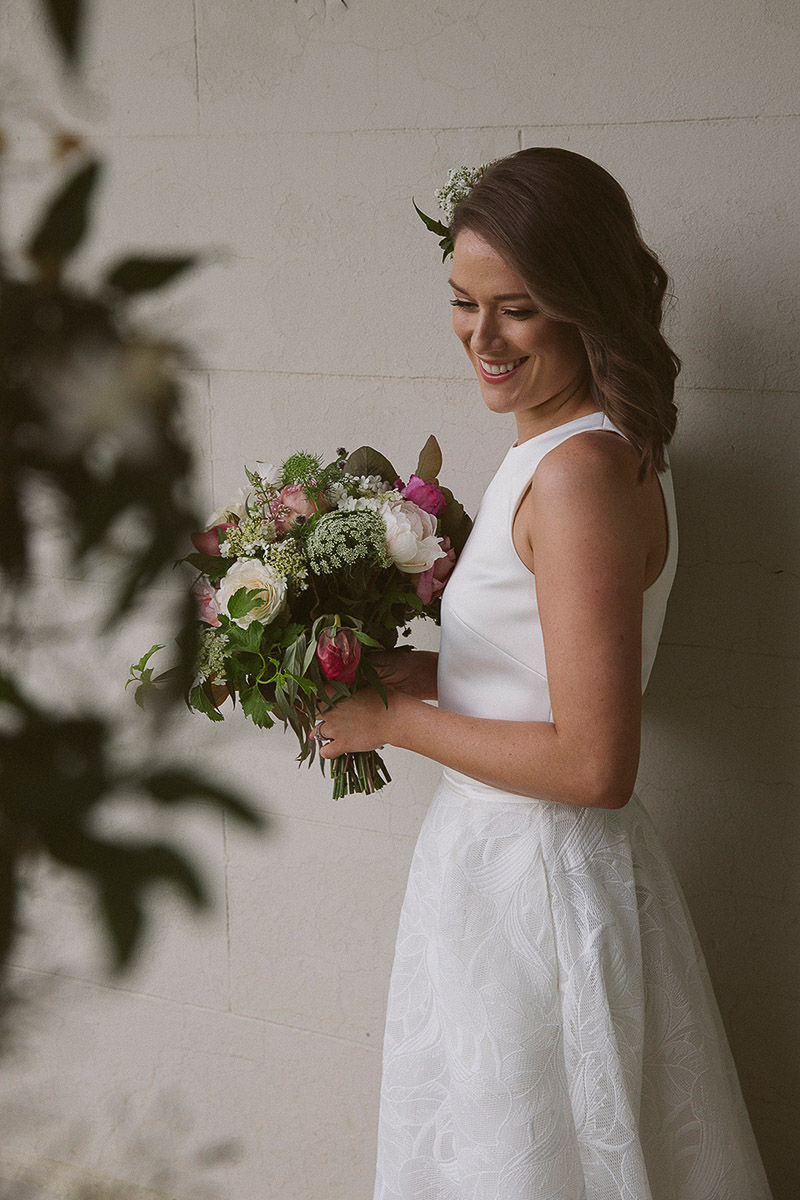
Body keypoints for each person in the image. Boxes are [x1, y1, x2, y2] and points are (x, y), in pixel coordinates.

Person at [314, 148, 772, 1199]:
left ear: (586, 304)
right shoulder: (570, 449)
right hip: (497, 876)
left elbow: (595, 764)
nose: (481, 338)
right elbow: (536, 677)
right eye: (462, 302)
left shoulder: (577, 477)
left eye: (516, 310)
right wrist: (418, 674)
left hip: (540, 889)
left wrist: (392, 719)